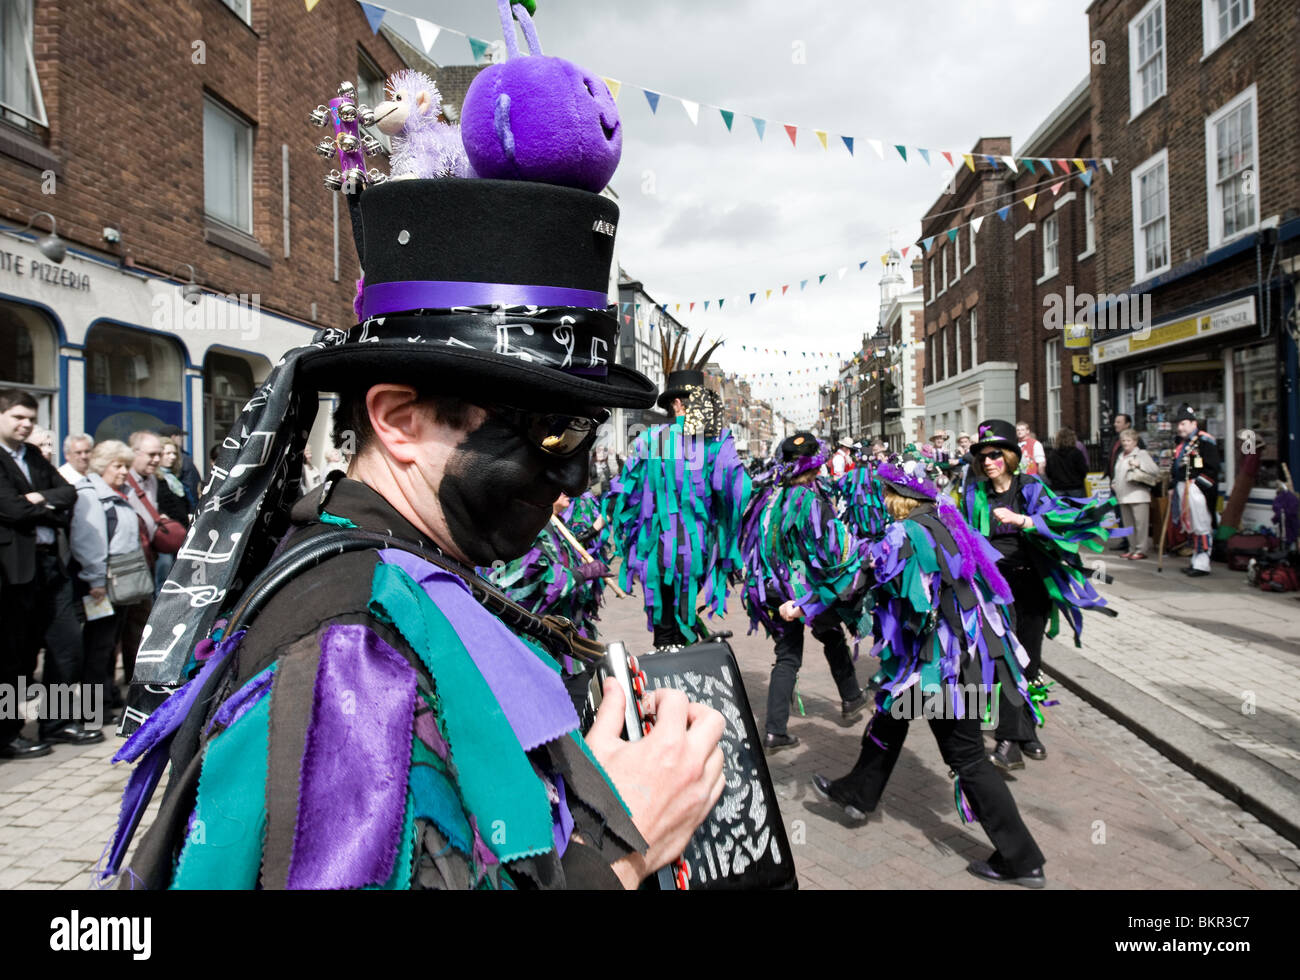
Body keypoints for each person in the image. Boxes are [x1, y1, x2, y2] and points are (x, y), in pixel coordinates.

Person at [105, 114, 725, 889]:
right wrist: (622, 854)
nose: (575, 481)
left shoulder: (392, 568)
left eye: (586, 434)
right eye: (551, 433)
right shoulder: (352, 651)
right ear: (399, 420)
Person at [811, 458, 1046, 888]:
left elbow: (863, 580)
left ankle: (1022, 859)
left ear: (901, 498)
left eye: (887, 493)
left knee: (967, 757)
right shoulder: (946, 522)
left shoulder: (906, 533)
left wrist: (806, 604)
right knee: (890, 718)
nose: (883, 500)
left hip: (946, 669)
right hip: (946, 659)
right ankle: (858, 793)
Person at [961, 420, 1116, 771]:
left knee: (1029, 659)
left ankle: (1027, 731)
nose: (988, 462)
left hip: (1031, 583)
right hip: (994, 589)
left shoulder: (1031, 487)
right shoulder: (974, 493)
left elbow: (1061, 523)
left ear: (1011, 456)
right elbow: (967, 535)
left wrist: (1022, 521)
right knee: (1005, 658)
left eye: (995, 454)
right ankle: (1010, 742)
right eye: (982, 456)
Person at [606, 334, 751, 647]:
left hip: (655, 551)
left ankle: (665, 664)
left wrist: (631, 544)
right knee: (685, 620)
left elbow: (625, 500)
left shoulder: (647, 440)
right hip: (695, 551)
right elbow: (737, 491)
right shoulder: (713, 441)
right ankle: (684, 668)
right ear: (680, 404)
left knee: (664, 626)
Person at [740, 433, 869, 751]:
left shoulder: (767, 497)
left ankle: (776, 730)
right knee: (831, 635)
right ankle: (851, 697)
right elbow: (830, 552)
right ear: (815, 466)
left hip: (770, 588)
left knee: (788, 655)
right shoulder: (810, 502)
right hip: (805, 592)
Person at [0, 390, 101, 759]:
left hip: (50, 567)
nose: (26, 424)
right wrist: (46, 506)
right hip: (14, 570)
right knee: (16, 656)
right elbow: (10, 510)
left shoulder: (32, 456)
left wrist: (37, 500)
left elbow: (68, 493)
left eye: (31, 418)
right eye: (18, 417)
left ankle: (59, 721)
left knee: (69, 644)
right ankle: (7, 734)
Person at [68, 440, 144, 727]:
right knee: (98, 646)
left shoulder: (118, 493)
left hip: (119, 583)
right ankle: (92, 710)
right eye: (118, 466)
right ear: (102, 466)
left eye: (126, 466)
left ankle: (106, 698)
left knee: (109, 644)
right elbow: (89, 541)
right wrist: (96, 579)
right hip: (100, 585)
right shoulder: (90, 495)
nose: (124, 472)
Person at [1169, 404, 1220, 577]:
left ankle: (1202, 564)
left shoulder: (1205, 440)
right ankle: (1196, 560)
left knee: (1201, 525)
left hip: (1197, 489)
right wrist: (1173, 486)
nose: (1180, 428)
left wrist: (1197, 487)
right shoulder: (1181, 443)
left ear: (1193, 423)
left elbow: (1212, 469)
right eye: (1178, 424)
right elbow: (1177, 468)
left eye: (1183, 424)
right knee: (1190, 525)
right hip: (1183, 488)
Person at [1111, 429, 1160, 560]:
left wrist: (1140, 464)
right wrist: (1114, 483)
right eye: (1123, 440)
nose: (1125, 443)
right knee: (1128, 525)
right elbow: (1117, 473)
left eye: (1128, 440)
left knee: (1140, 525)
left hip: (1138, 495)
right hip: (1123, 496)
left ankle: (1141, 549)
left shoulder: (1141, 454)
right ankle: (1132, 548)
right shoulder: (1121, 455)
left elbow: (1155, 470)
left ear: (1135, 442)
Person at [158, 425, 203, 507]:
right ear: (173, 437)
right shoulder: (155, 479)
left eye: (174, 453)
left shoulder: (172, 475)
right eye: (168, 453)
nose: (173, 457)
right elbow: (191, 486)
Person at [1043, 427, 1089, 498]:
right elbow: (1083, 470)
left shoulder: (1053, 454)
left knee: (1060, 505)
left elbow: (1048, 471)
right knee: (1077, 505)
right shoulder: (1077, 453)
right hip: (1075, 487)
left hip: (1058, 487)